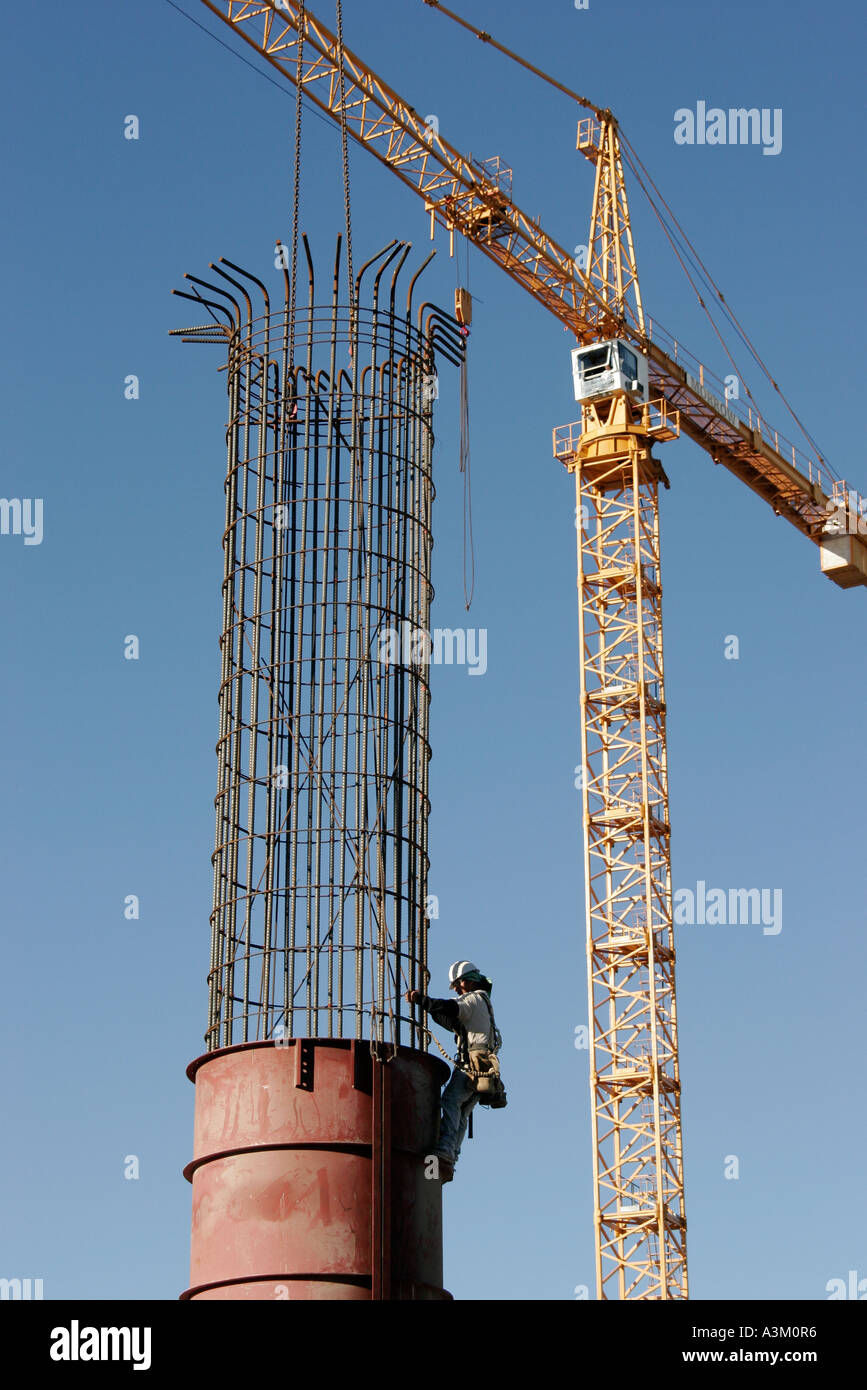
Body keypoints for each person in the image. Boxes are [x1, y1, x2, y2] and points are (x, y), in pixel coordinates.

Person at [404, 960, 502, 1183]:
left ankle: (446, 1150)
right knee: (463, 1109)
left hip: (471, 1066)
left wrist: (421, 1000)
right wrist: (428, 1007)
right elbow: (450, 1019)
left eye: (457, 985)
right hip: (483, 1070)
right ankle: (451, 1155)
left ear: (467, 982)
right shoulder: (483, 1004)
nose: (457, 989)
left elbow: (450, 1008)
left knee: (450, 1101)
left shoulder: (473, 1000)